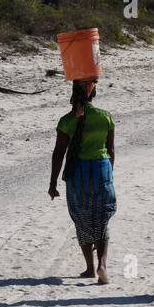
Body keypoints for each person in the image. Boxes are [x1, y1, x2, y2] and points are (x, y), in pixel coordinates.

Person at [49, 79, 116, 284]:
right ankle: (102, 265)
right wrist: (108, 174)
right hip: (101, 169)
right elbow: (111, 150)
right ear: (93, 94)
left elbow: (59, 152)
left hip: (79, 172)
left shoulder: (67, 121)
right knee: (101, 216)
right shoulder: (106, 117)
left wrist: (53, 183)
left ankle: (89, 268)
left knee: (82, 217)